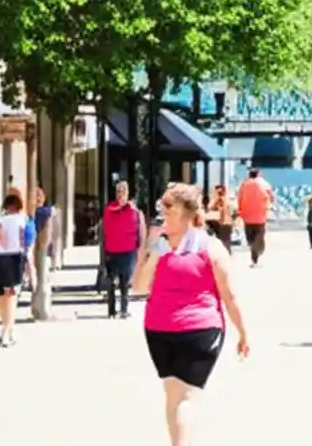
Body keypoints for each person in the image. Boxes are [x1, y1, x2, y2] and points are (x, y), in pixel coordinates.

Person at [132, 183, 250, 446]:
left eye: (168, 209)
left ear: (186, 213)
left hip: (161, 329)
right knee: (185, 399)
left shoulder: (164, 249)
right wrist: (243, 332)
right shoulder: (212, 247)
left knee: (174, 396)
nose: (163, 215)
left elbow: (139, 286)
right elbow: (229, 295)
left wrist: (147, 252)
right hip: (198, 330)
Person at [0, 193, 29, 347]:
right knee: (11, 295)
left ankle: (8, 328)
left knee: (0, 296)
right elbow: (24, 241)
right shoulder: (21, 220)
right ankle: (6, 330)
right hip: (13, 260)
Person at [102, 181, 146, 319]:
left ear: (127, 193)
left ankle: (124, 310)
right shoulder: (109, 210)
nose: (120, 194)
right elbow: (104, 232)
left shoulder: (135, 212)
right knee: (111, 282)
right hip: (112, 251)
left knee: (125, 283)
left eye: (123, 191)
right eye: (118, 191)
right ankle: (111, 310)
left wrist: (140, 250)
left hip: (128, 251)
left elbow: (141, 232)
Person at [236, 168, 274, 267]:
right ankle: (256, 253)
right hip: (260, 217)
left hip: (247, 216)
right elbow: (271, 197)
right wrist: (268, 207)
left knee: (251, 237)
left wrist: (240, 211)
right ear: (258, 174)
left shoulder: (244, 184)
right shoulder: (264, 184)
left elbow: (239, 198)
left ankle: (254, 253)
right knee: (259, 236)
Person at [209, 185, 233, 252]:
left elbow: (229, 213)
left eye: (221, 193)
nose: (220, 195)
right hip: (218, 225)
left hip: (225, 225)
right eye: (218, 193)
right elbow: (209, 209)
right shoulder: (215, 201)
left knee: (225, 244)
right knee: (221, 244)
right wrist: (215, 201)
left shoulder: (227, 201)